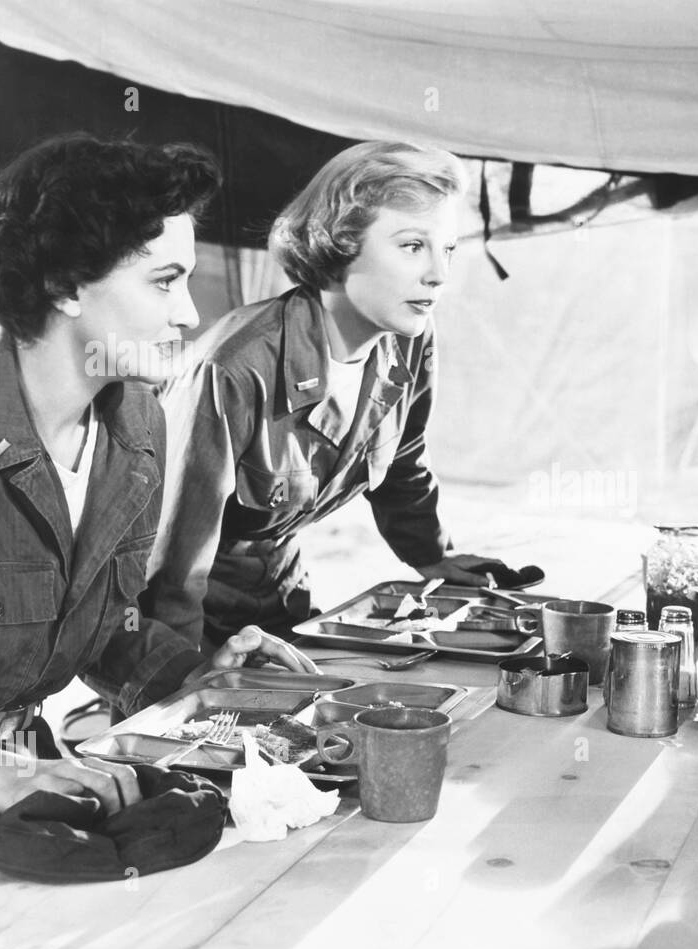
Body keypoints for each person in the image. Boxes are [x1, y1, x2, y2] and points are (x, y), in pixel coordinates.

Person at [0, 133, 316, 817]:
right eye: (164, 280)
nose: (190, 313)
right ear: (64, 284)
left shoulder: (136, 426)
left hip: (29, 778)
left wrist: (197, 673)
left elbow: (105, 624)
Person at [144, 141, 508, 649]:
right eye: (411, 246)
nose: (439, 274)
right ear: (340, 244)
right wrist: (182, 678)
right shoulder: (232, 369)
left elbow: (401, 460)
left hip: (280, 598)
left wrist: (432, 555)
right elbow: (169, 565)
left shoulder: (410, 336)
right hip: (183, 625)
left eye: (446, 249)